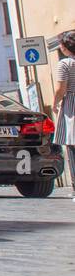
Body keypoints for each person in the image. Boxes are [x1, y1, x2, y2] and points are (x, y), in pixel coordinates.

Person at [54, 31, 75, 196]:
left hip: (72, 105)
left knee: (72, 143)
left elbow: (61, 89)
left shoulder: (65, 64)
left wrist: (55, 104)